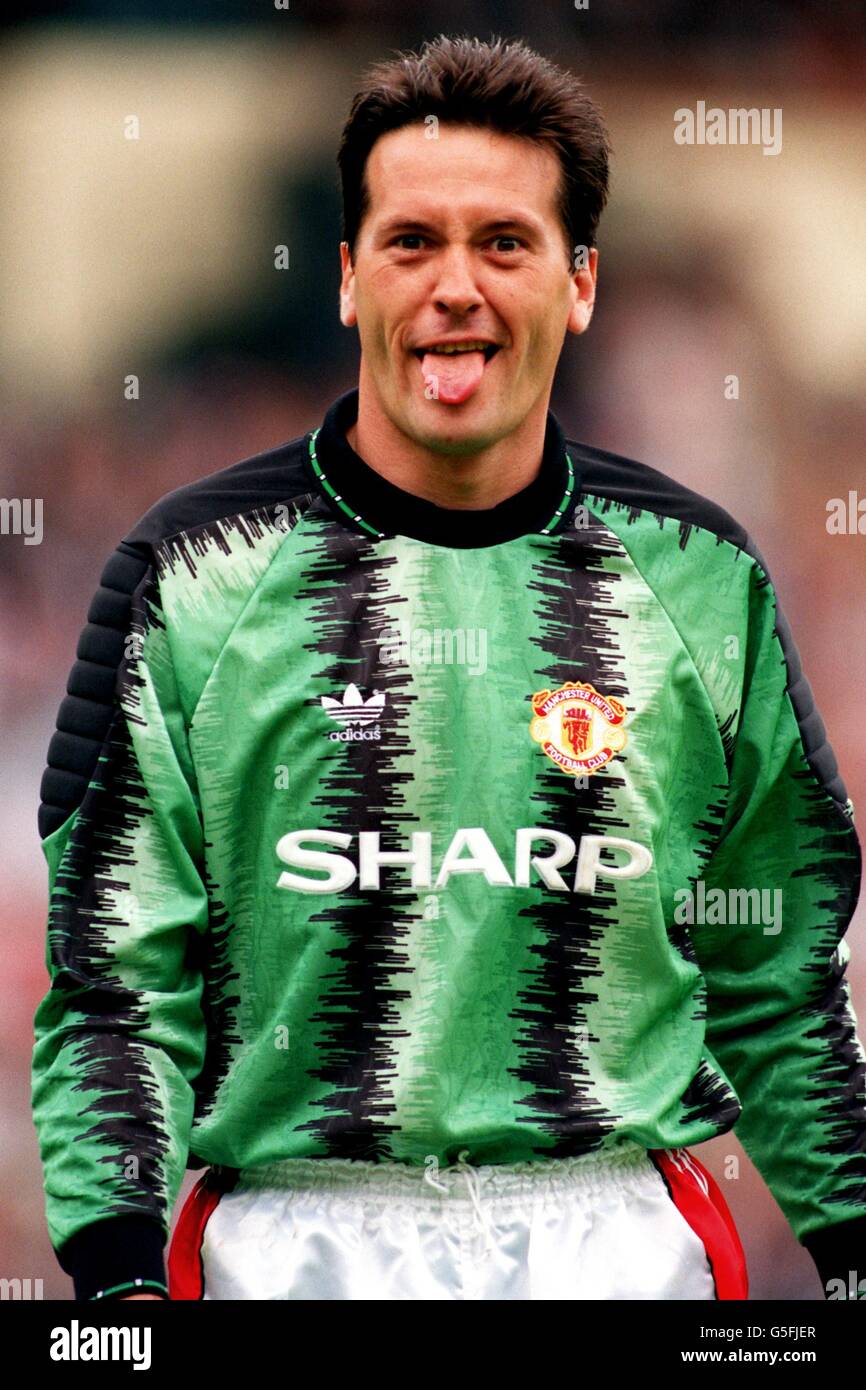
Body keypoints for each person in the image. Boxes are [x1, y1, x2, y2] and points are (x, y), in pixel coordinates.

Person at [31, 33, 866, 1303]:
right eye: (412, 242)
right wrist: (114, 1284)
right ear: (348, 279)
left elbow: (778, 973)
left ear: (579, 283)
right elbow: (112, 980)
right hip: (289, 1238)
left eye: (505, 243)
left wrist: (850, 1244)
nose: (456, 287)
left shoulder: (699, 575)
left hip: (621, 1239)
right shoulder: (191, 574)